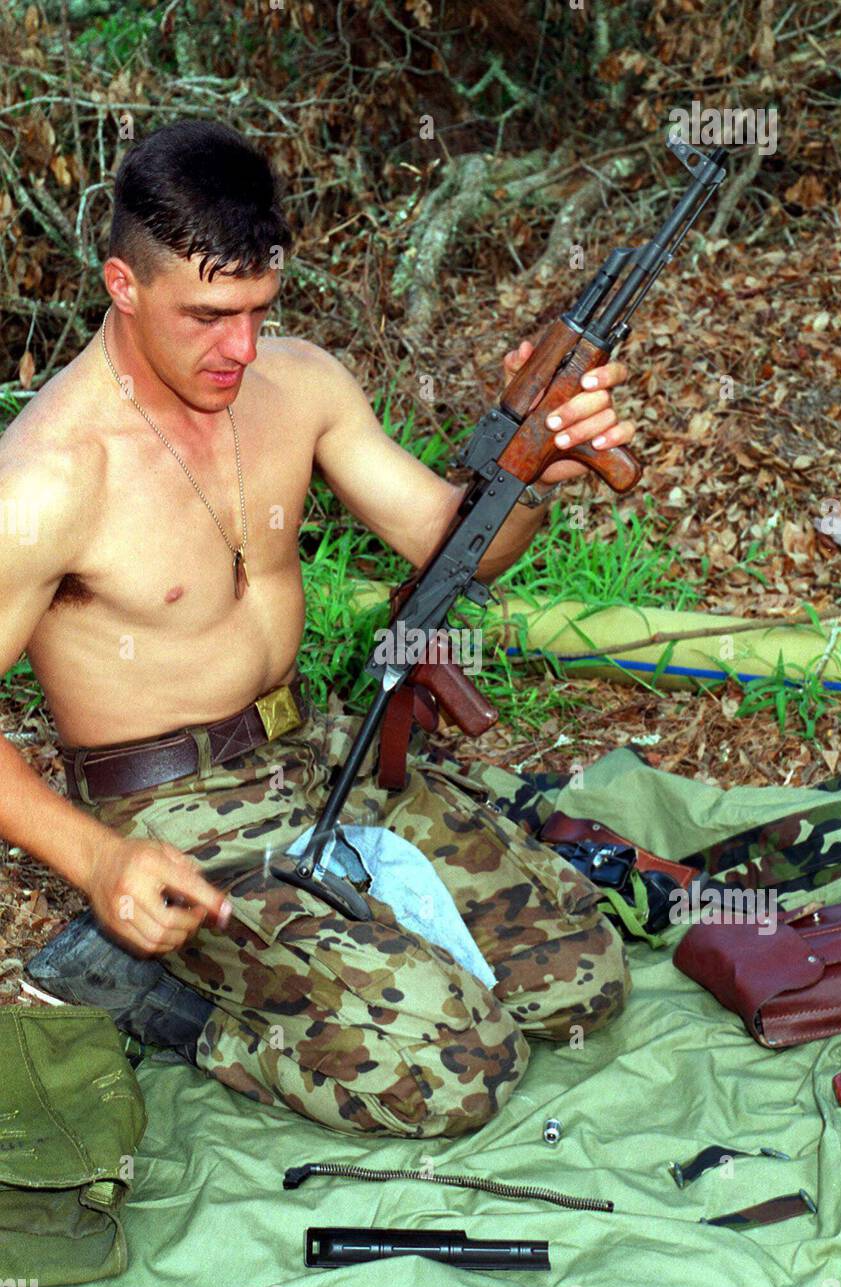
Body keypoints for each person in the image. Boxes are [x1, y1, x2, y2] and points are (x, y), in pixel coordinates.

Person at [1, 119, 638, 1139]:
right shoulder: (46, 478)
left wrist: (532, 474)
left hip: (319, 748)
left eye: (258, 308)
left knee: (577, 984)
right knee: (459, 1074)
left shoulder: (297, 384)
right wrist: (96, 862)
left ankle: (347, 941)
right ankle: (177, 1005)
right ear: (122, 285)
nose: (239, 348)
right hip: (181, 813)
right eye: (208, 316)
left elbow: (448, 541)